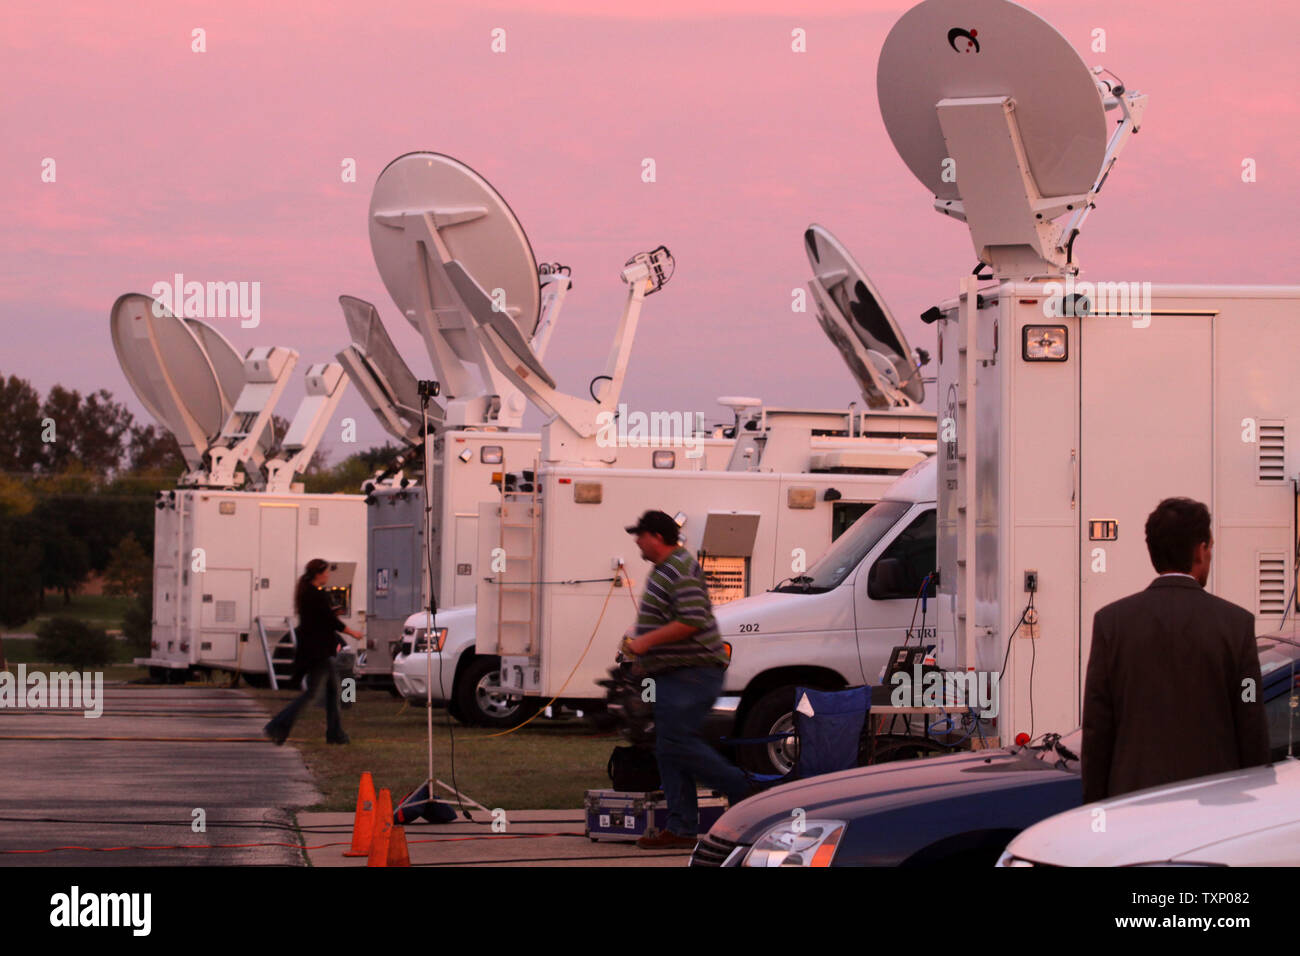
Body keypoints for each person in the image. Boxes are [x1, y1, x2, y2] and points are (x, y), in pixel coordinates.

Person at [1081, 498, 1270, 802]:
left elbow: (1096, 728)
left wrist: (1095, 808)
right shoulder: (1236, 626)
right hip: (1215, 808)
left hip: (1131, 805)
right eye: (1209, 547)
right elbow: (1250, 712)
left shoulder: (1111, 624)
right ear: (1200, 549)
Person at [620, 510, 752, 849]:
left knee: (677, 743)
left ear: (658, 537)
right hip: (674, 675)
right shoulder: (666, 569)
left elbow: (692, 620)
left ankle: (745, 793)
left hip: (692, 674)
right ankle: (680, 829)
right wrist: (642, 660)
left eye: (641, 534)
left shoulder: (678, 568)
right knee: (667, 748)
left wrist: (646, 642)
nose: (637, 540)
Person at [264, 558, 363, 746]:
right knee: (311, 694)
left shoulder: (309, 592)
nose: (328, 575)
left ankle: (335, 733)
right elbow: (328, 621)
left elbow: (321, 618)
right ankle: (277, 725)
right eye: (325, 572)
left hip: (316, 650)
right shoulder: (314, 595)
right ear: (318, 574)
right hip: (318, 652)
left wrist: (330, 613)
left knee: (333, 691)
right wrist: (353, 632)